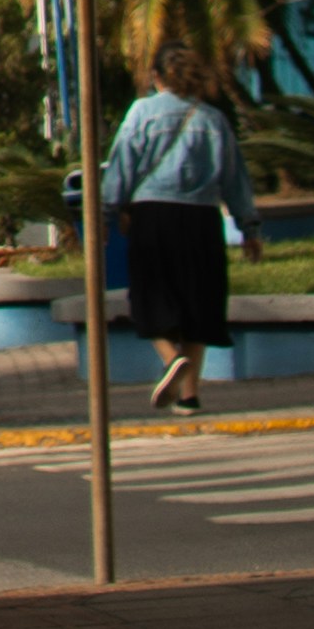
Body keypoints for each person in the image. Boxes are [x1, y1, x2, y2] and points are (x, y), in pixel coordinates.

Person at [103, 40, 247, 413]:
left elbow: (121, 166)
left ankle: (171, 361)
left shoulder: (142, 112)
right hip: (201, 220)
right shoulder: (213, 119)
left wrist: (108, 213)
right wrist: (251, 226)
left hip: (153, 217)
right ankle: (189, 396)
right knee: (197, 305)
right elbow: (235, 178)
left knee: (150, 300)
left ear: (156, 76)